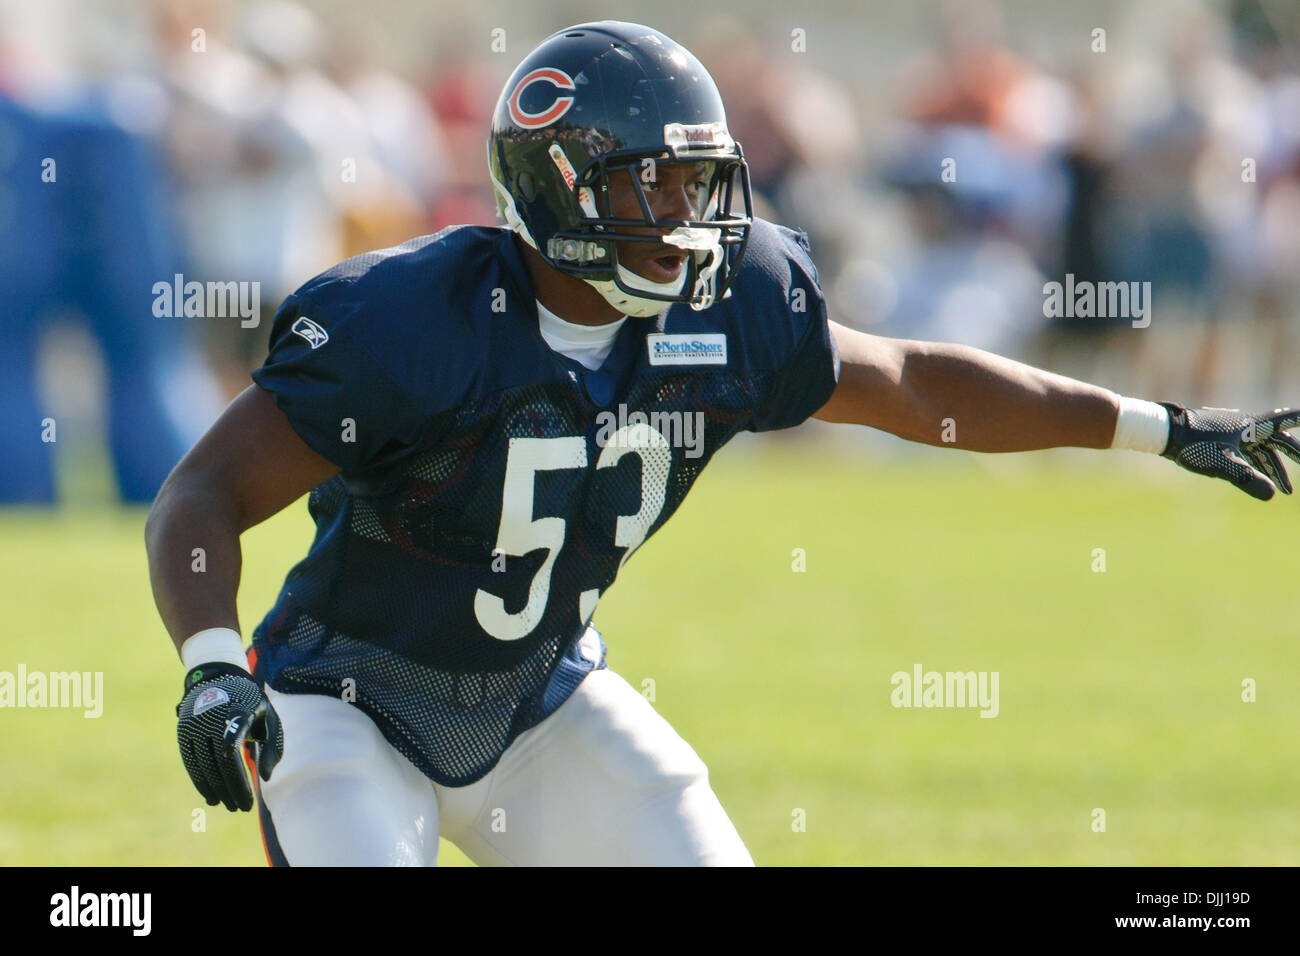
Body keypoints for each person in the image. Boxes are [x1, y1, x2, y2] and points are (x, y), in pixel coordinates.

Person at [145, 21, 1300, 867]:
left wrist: (1157, 426)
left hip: (539, 692)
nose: (689, 218)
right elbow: (201, 491)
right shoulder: (405, 325)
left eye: (700, 181)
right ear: (557, 189)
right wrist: (207, 659)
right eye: (653, 185)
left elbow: (906, 382)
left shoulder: (731, 301)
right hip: (346, 695)